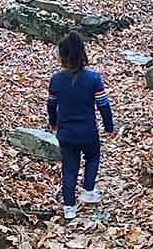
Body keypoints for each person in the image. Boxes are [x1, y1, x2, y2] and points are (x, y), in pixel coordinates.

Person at [47, 30, 114, 220]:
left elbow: (51, 104)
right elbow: (103, 104)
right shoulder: (93, 78)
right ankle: (88, 189)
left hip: (66, 133)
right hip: (88, 132)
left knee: (69, 168)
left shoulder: (56, 79)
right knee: (93, 157)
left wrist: (53, 122)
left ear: (63, 56)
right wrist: (109, 127)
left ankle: (69, 208)